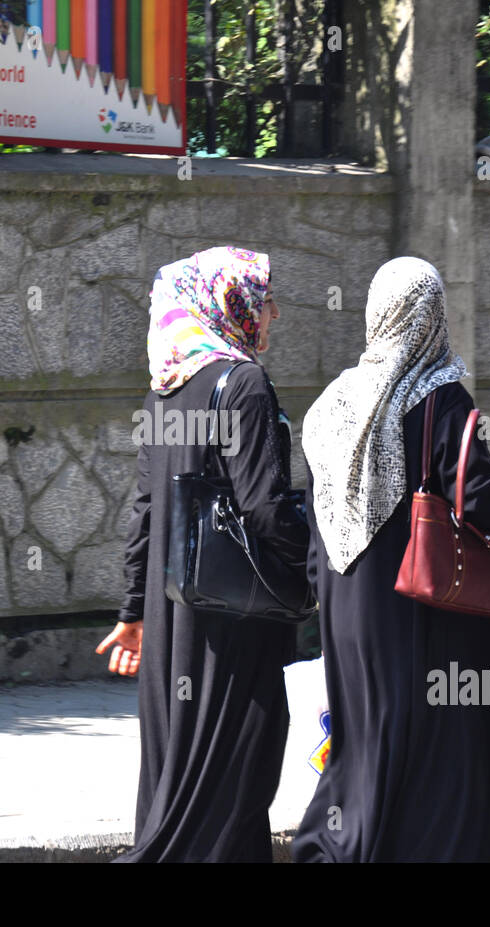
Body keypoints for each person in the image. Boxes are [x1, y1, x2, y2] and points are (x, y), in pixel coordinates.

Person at [292, 257, 490, 863]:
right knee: (438, 733)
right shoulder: (440, 395)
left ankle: (344, 842)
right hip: (420, 599)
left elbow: (317, 508)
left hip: (345, 598)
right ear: (430, 317)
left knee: (364, 730)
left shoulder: (335, 401)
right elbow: (480, 498)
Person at [97, 246, 309, 862]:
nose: (273, 313)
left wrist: (132, 613)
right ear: (230, 301)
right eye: (264, 299)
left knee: (181, 784)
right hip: (233, 624)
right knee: (234, 787)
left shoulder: (165, 388)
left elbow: (144, 512)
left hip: (171, 627)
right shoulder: (242, 383)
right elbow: (264, 507)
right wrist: (317, 566)